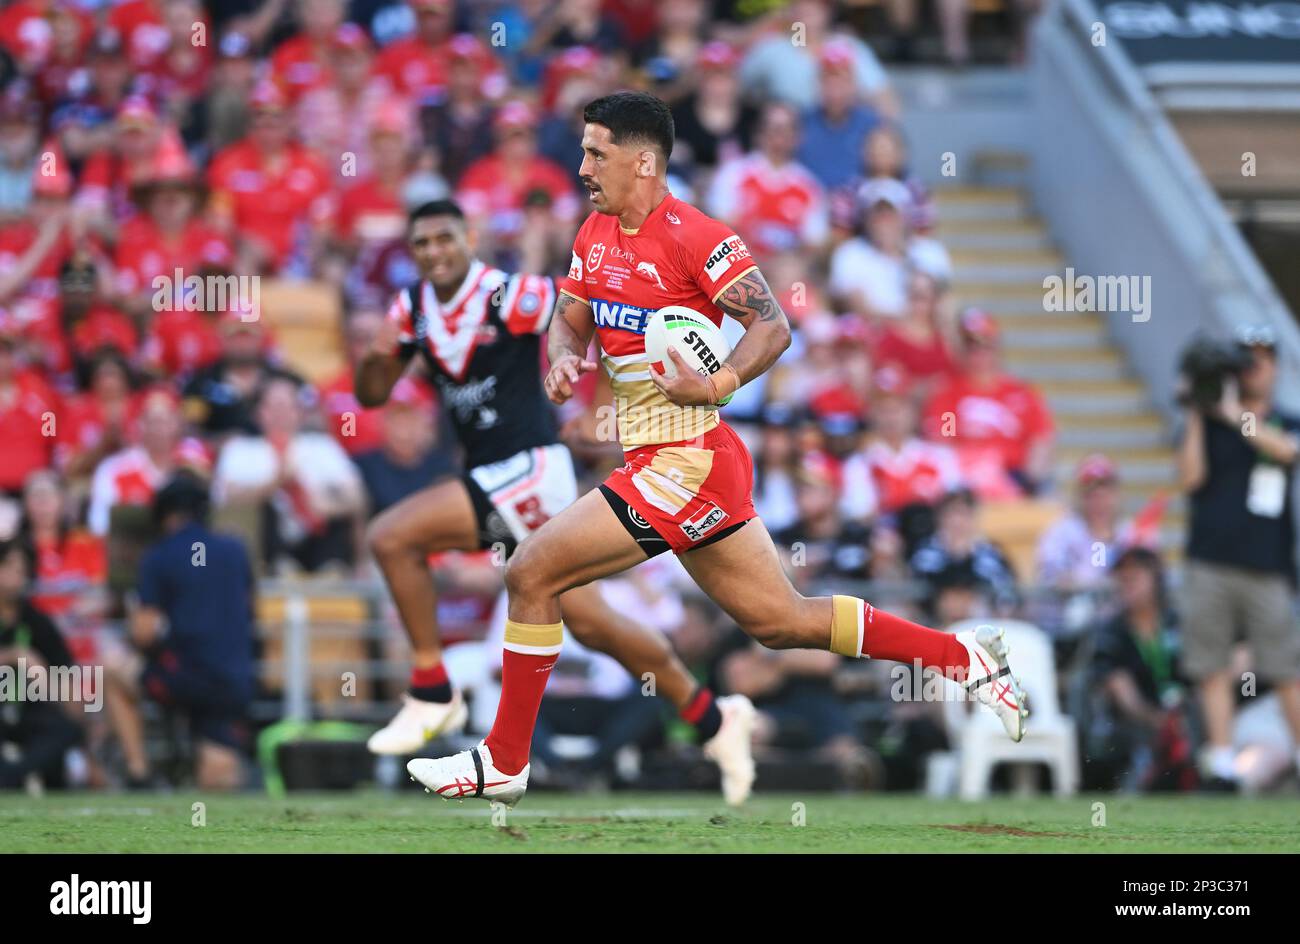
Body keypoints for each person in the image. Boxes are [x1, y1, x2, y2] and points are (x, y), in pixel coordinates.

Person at [409, 91, 1027, 808]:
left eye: (595, 152)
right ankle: (966, 656)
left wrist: (719, 380)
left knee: (531, 572)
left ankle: (504, 761)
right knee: (781, 621)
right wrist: (562, 355)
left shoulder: (696, 236)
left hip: (687, 457)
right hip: (675, 463)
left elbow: (771, 328)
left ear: (642, 160)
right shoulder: (594, 233)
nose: (582, 166)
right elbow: (569, 316)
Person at [353, 198, 756, 803]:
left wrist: (595, 409)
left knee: (392, 536)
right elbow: (373, 393)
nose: (434, 252)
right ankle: (712, 719)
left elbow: (589, 315)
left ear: (470, 237)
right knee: (595, 625)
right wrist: (379, 350)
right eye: (422, 244)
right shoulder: (410, 310)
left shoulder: (506, 295)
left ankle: (433, 692)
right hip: (496, 475)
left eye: (445, 238)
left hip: (533, 469)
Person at [1176, 324, 1300, 788]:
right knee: (1212, 667)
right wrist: (1194, 410)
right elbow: (1189, 479)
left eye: (1261, 359)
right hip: (1209, 560)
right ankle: (1223, 762)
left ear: (1275, 368)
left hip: (1268, 566)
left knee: (1285, 668)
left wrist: (1234, 414)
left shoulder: (1284, 420)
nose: (1252, 367)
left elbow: (1286, 453)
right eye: (1245, 359)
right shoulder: (1209, 420)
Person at [116, 473, 255, 789]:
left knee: (112, 673)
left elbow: (144, 632)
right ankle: (203, 767)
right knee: (219, 776)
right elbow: (248, 607)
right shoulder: (235, 550)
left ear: (164, 515)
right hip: (233, 680)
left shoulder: (158, 556)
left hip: (183, 679)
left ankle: (139, 773)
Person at [0, 536, 84, 790]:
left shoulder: (36, 620)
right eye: (9, 567)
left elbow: (65, 670)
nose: (16, 576)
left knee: (66, 729)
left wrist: (72, 706)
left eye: (22, 570)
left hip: (27, 710)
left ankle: (12, 776)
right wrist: (15, 655)